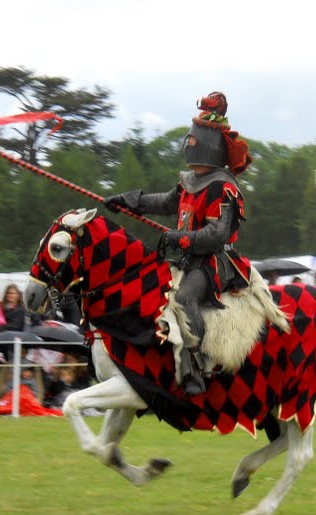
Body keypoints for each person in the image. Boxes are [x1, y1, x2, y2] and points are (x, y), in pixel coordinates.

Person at [103, 91, 253, 395]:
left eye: (193, 139)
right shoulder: (189, 181)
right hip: (187, 257)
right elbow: (166, 202)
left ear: (207, 145)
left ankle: (197, 365)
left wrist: (179, 237)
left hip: (214, 261)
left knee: (184, 298)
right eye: (190, 138)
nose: (189, 143)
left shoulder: (223, 187)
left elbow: (216, 235)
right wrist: (129, 201)